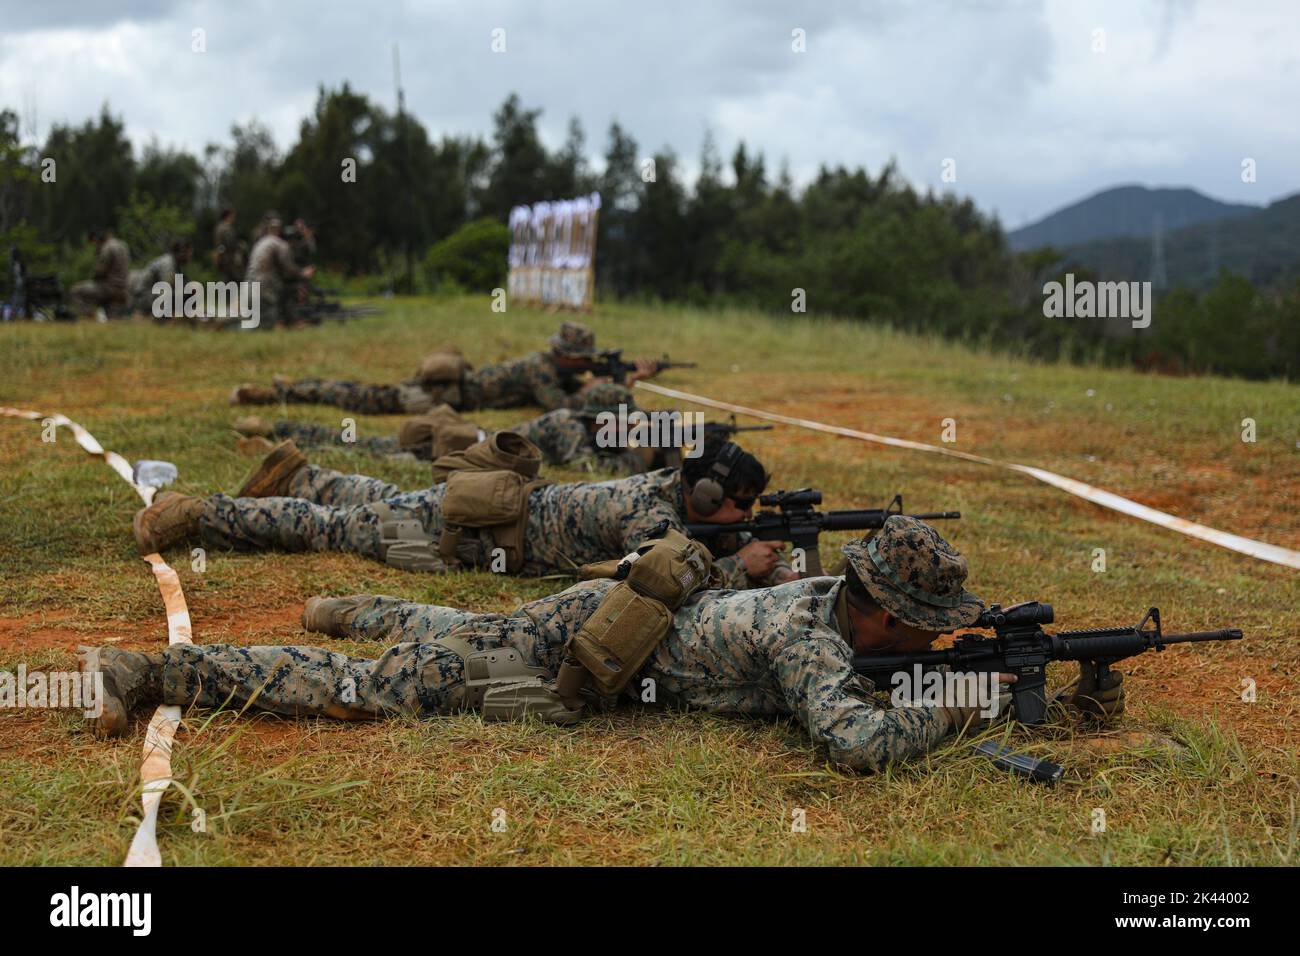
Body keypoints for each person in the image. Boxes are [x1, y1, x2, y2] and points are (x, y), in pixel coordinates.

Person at [81, 516, 1126, 775]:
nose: (939, 634)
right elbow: (856, 745)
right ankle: (148, 666)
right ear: (882, 608)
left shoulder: (835, 602)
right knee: (370, 688)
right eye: (926, 621)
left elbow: (900, 675)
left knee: (458, 630)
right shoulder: (806, 639)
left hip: (597, 621)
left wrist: (1051, 685)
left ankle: (360, 601)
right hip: (569, 651)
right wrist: (963, 699)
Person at [129, 434, 793, 587]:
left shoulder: (661, 493)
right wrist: (740, 569)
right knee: (331, 530)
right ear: (705, 498)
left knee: (377, 501)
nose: (744, 515)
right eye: (741, 506)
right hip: (464, 533)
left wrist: (732, 543)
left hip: (473, 511)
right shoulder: (650, 517)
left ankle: (303, 473)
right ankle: (197, 515)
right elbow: (649, 582)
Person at [228, 321, 660, 415]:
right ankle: (281, 392)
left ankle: (288, 389)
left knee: (366, 394)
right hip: (441, 397)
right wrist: (613, 384)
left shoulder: (549, 365)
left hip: (454, 391)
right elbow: (562, 408)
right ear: (567, 356)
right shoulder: (541, 371)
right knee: (362, 397)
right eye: (581, 360)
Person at [231, 383, 667, 476]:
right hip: (469, 448)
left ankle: (275, 431)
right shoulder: (569, 425)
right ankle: (272, 440)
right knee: (372, 450)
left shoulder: (576, 421)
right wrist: (636, 454)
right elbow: (585, 468)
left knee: (369, 443)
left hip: (472, 439)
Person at [245, 212, 315, 329]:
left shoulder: (261, 242)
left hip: (250, 283)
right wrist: (303, 273)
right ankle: (291, 321)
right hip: (265, 288)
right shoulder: (277, 243)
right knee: (287, 291)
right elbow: (289, 268)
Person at [68, 228, 130, 319]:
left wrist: (93, 277)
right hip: (124, 288)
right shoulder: (123, 245)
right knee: (112, 318)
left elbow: (100, 271)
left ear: (96, 239)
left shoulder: (107, 248)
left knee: (76, 290)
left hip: (109, 287)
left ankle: (91, 317)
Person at [129, 238, 193, 317]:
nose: (190, 255)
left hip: (151, 295)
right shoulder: (168, 263)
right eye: (189, 252)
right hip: (144, 298)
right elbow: (167, 289)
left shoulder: (175, 264)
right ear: (182, 252)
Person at [212, 207, 245, 282]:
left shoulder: (219, 226)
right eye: (233, 215)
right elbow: (230, 243)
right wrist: (240, 245)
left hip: (223, 258)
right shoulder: (226, 228)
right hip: (228, 259)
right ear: (228, 216)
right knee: (231, 281)